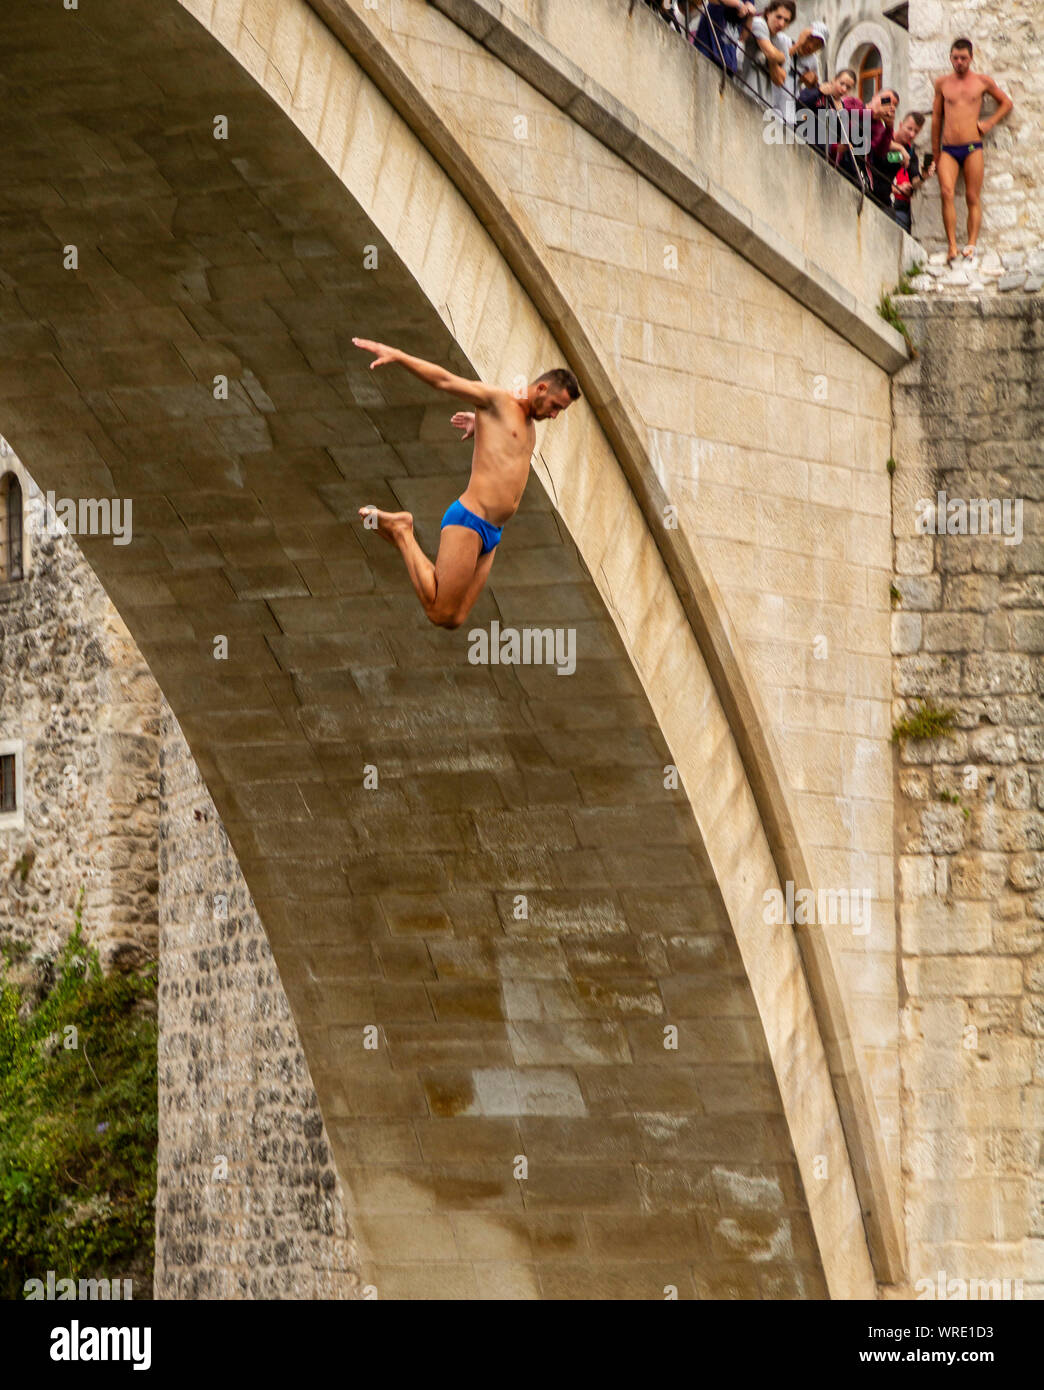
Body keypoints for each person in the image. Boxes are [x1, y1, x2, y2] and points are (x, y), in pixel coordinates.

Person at [352, 339, 579, 629]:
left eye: (561, 410)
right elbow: (444, 381)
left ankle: (399, 532)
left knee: (454, 619)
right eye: (556, 406)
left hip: (493, 533)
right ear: (543, 388)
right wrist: (399, 355)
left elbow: (504, 447)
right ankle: (402, 531)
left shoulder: (527, 424)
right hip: (470, 521)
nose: (555, 415)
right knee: (438, 613)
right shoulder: (496, 400)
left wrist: (479, 424)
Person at [931, 37, 1014, 263]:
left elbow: (1007, 103)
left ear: (971, 58)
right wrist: (935, 154)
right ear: (950, 58)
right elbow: (936, 118)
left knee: (972, 196)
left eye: (963, 58)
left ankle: (971, 244)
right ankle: (952, 246)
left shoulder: (982, 81)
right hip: (948, 148)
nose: (959, 62)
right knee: (946, 193)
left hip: (972, 146)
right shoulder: (942, 83)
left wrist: (989, 123)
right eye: (955, 58)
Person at [738, 0, 796, 113]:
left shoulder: (782, 43)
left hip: (763, 103)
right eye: (778, 17)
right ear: (768, 13)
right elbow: (771, 53)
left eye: (786, 20)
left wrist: (772, 61)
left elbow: (779, 80)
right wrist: (781, 57)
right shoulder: (759, 23)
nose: (781, 23)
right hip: (742, 90)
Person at [889, 111, 935, 232]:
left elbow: (914, 181)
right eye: (909, 128)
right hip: (882, 199)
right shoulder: (884, 141)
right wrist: (897, 188)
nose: (911, 134)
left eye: (916, 132)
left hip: (901, 207)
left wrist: (923, 177)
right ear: (900, 125)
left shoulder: (910, 152)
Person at [797, 66, 855, 159]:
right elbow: (800, 103)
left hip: (823, 156)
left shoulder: (843, 111)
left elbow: (838, 137)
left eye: (848, 87)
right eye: (841, 83)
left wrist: (841, 146)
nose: (844, 89)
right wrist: (819, 92)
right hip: (805, 143)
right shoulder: (816, 89)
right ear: (834, 80)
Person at [692, 0, 757, 75]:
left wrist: (751, 17)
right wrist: (738, 4)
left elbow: (743, 37)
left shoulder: (750, 1)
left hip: (727, 62)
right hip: (707, 49)